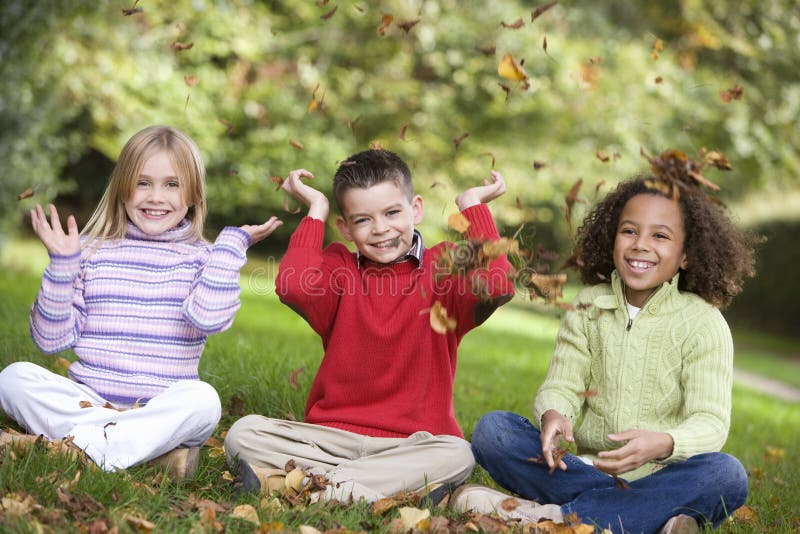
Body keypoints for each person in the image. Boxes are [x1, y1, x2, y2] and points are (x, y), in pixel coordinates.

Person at [456, 173, 758, 533]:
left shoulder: (704, 323)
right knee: (494, 432)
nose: (640, 245)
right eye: (629, 231)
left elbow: (710, 422)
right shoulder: (588, 306)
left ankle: (548, 518)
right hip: (584, 469)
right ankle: (650, 519)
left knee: (727, 475)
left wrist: (662, 444)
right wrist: (554, 414)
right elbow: (562, 385)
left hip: (665, 474)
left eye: (660, 236)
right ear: (612, 237)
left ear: (686, 256)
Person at [224, 148, 515, 503]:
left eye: (393, 212)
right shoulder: (339, 267)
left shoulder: (445, 267)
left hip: (411, 445)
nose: (381, 229)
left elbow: (498, 284)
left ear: (416, 209)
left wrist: (472, 205)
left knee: (458, 454)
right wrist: (317, 208)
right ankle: (370, 488)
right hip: (330, 439)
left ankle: (309, 485)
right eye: (362, 220)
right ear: (345, 228)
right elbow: (293, 285)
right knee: (243, 433)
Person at [0, 125, 282, 478]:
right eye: (143, 183)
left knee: (203, 401)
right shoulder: (90, 251)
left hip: (158, 408)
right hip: (88, 402)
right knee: (13, 378)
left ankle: (74, 446)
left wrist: (230, 248)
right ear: (122, 189)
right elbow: (50, 341)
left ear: (193, 195)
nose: (155, 197)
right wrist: (62, 266)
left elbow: (207, 318)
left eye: (172, 184)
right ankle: (132, 451)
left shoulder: (203, 258)